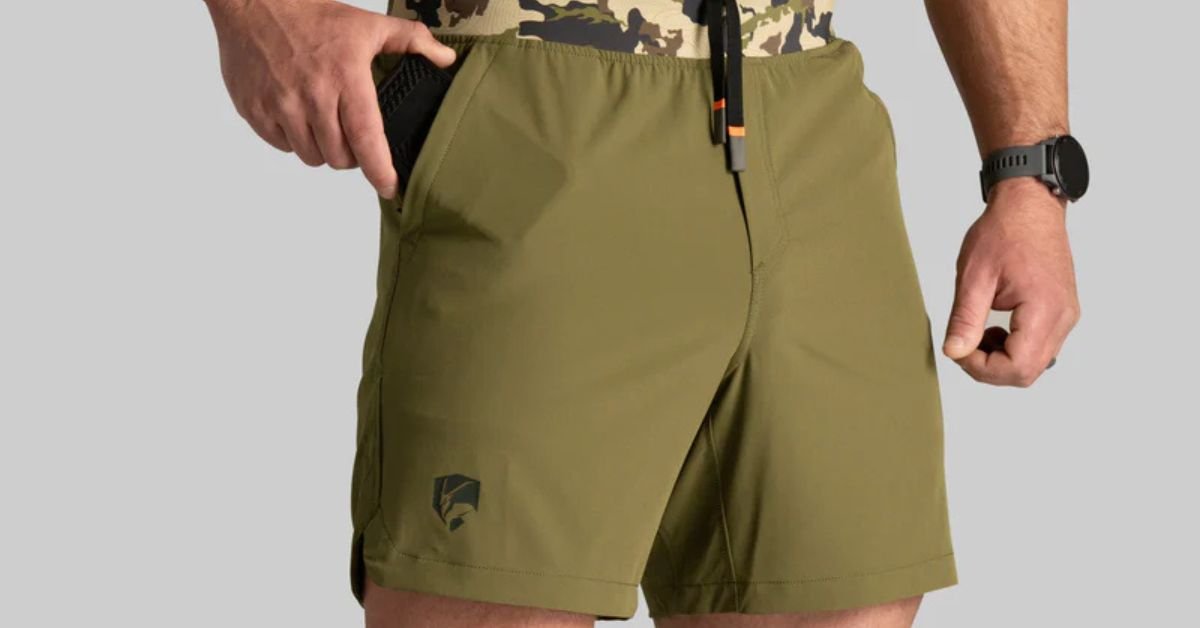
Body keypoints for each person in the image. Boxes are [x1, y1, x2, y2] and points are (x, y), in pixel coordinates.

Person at [204, 0, 1084, 625]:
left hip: (811, 121)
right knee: (490, 596)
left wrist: (1030, 171)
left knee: (840, 601)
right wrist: (262, 13)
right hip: (536, 109)